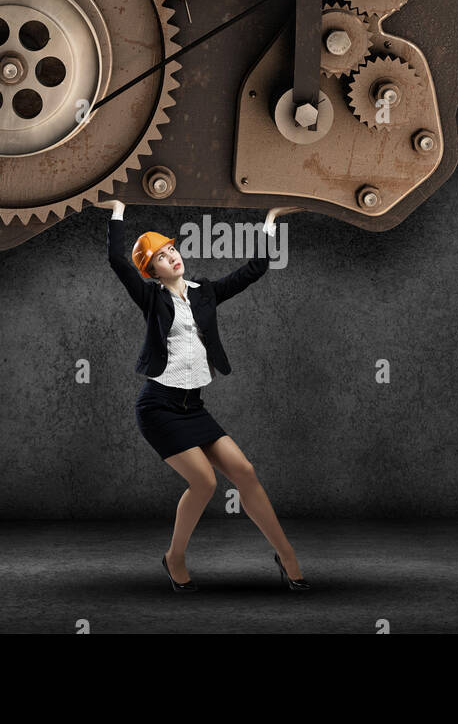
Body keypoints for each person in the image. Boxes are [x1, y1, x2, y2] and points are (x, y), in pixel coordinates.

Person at [97, 198, 310, 592]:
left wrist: (270, 219)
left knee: (245, 472)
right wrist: (118, 210)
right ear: (152, 270)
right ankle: (174, 557)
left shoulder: (205, 293)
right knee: (206, 483)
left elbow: (254, 269)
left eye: (172, 249)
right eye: (161, 256)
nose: (171, 257)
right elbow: (116, 261)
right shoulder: (151, 298)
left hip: (193, 406)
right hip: (159, 407)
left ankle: (286, 554)